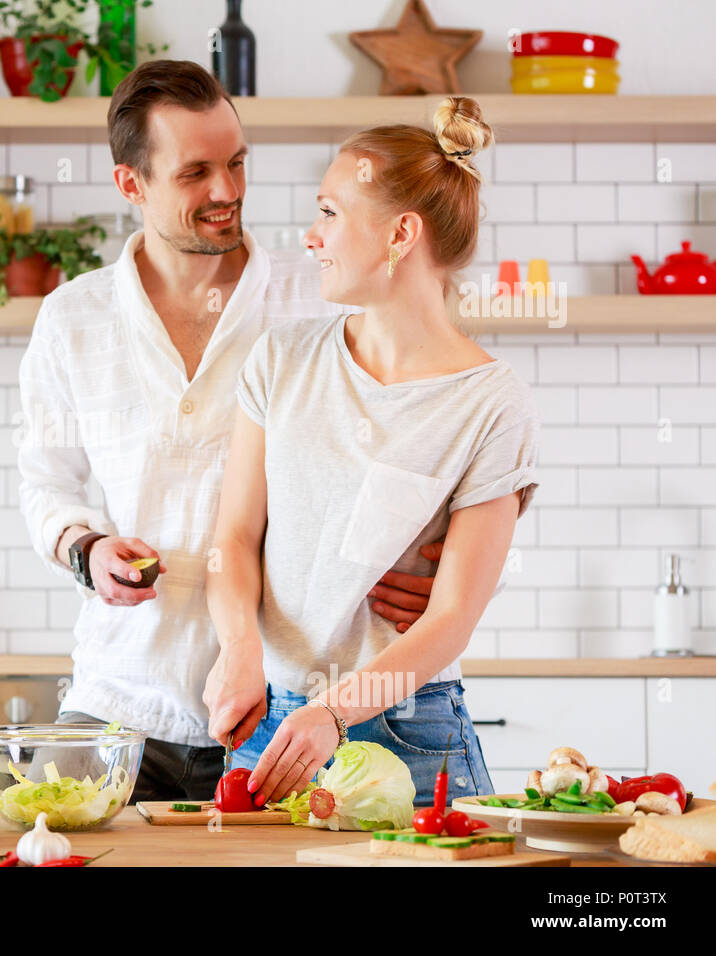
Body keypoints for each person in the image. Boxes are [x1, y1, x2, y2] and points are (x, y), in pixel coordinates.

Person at [16, 60, 445, 803]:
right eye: (195, 173)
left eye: (237, 163)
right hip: (123, 697)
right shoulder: (72, 320)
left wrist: (443, 564)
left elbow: (436, 433)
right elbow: (44, 482)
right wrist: (86, 549)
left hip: (283, 704)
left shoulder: (319, 299)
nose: (227, 191)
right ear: (131, 185)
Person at [204, 96, 540, 808]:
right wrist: (238, 649)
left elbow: (452, 615)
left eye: (329, 212)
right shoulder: (281, 359)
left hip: (414, 736)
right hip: (277, 726)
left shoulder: (489, 401)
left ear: (400, 234)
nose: (310, 235)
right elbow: (234, 537)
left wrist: (336, 711)